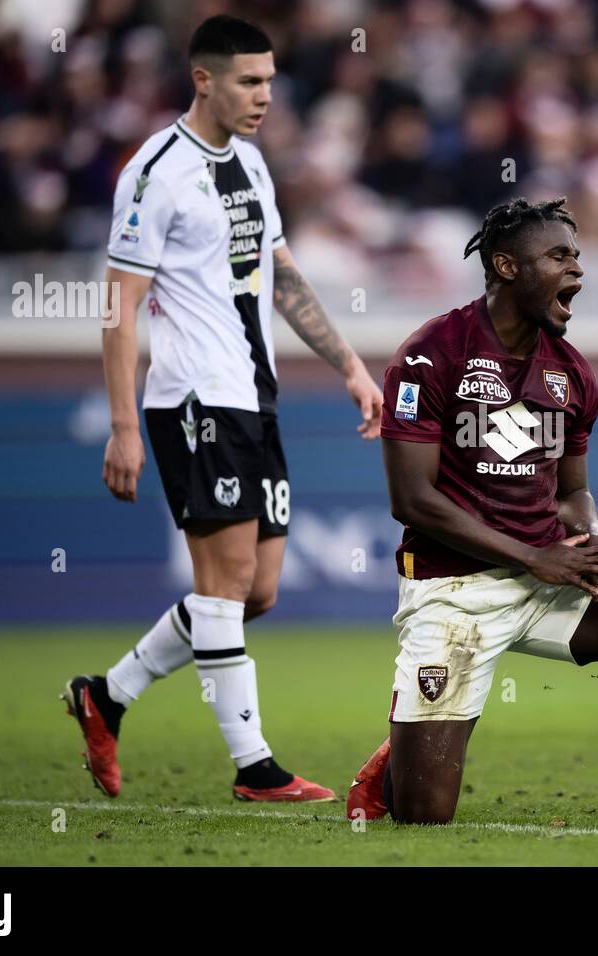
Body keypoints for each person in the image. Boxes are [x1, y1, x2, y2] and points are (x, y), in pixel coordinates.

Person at [345, 198, 598, 824]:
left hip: (546, 581)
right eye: (560, 256)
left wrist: (593, 545)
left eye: (578, 256)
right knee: (424, 816)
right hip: (452, 588)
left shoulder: (572, 374)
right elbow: (413, 500)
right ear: (507, 266)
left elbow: (570, 495)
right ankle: (397, 763)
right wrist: (534, 557)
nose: (578, 271)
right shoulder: (432, 353)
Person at [62, 15, 383, 801]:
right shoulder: (155, 173)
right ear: (202, 79)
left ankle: (106, 695)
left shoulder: (250, 165)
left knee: (256, 591)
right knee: (227, 579)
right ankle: (254, 766)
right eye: (248, 80)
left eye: (270, 80)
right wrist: (123, 425)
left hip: (256, 400)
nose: (264, 95)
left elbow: (283, 278)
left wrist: (348, 364)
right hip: (194, 399)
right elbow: (119, 306)